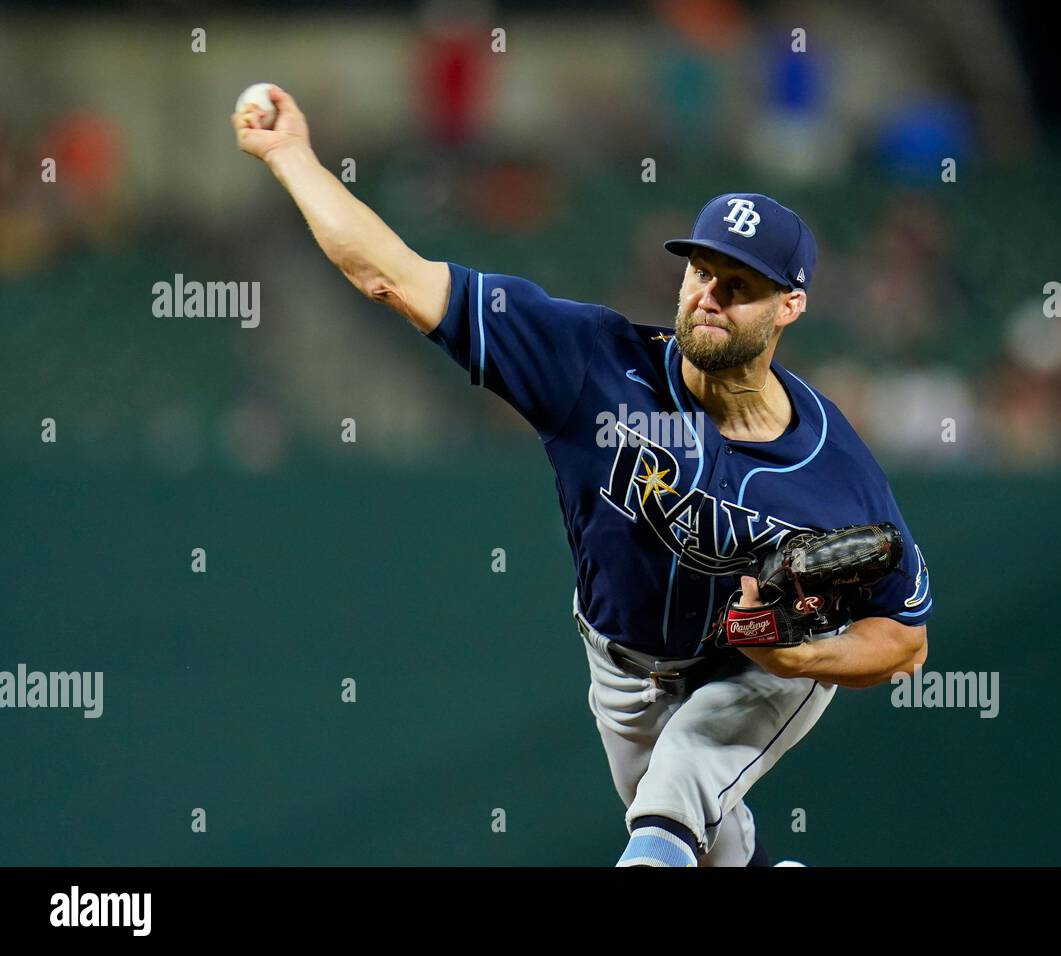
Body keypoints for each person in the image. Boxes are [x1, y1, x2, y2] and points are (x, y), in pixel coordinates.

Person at [233, 86, 932, 867]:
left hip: (757, 667)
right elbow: (392, 275)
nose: (708, 296)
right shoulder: (591, 365)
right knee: (712, 852)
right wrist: (291, 157)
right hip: (623, 665)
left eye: (739, 286)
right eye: (701, 270)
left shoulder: (831, 464)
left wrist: (801, 659)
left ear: (790, 306)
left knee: (665, 818)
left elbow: (905, 642)